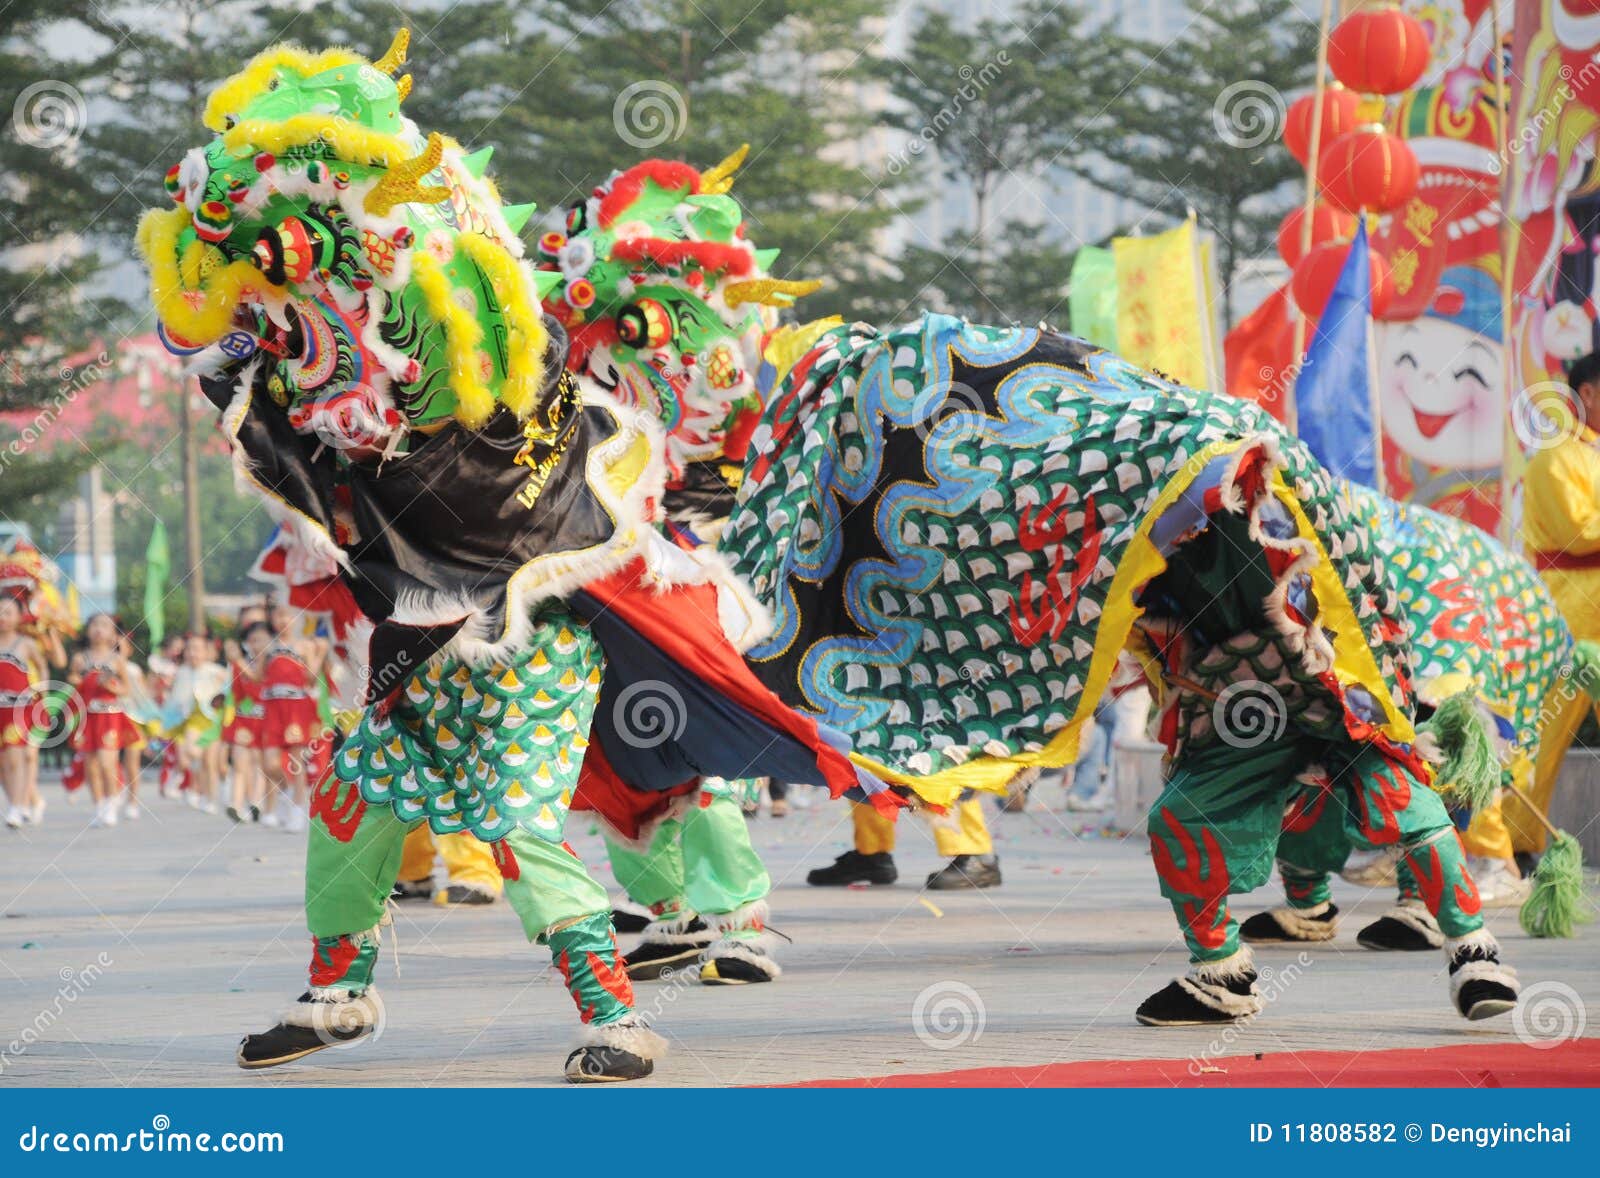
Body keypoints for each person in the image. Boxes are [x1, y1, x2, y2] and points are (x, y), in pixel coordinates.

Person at [1518, 349, 1600, 863]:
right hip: (1570, 610)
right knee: (1546, 730)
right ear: (1587, 393)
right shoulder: (1555, 456)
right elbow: (1577, 533)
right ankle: (1514, 843)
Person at [69, 614, 146, 828]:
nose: (98, 630)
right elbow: (74, 685)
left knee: (107, 761)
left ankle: (112, 802)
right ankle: (99, 804)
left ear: (113, 634)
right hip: (88, 716)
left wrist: (111, 687)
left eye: (104, 626)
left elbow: (126, 690)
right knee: (90, 764)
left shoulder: (116, 660)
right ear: (88, 630)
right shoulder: (80, 659)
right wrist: (77, 681)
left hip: (110, 715)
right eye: (94, 625)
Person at [258, 605, 326, 834]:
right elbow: (258, 676)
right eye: (278, 614)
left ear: (296, 618)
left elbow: (311, 680)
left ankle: (298, 810)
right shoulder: (268, 647)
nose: (283, 620)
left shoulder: (305, 646)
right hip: (272, 706)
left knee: (297, 761)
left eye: (287, 615)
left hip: (296, 706)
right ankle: (286, 790)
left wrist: (319, 655)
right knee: (270, 763)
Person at [0, 596, 46, 828]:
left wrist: (42, 692)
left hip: (17, 709)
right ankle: (15, 804)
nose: (3, 617)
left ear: (19, 617)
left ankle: (17, 807)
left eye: (8, 612)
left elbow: (42, 666)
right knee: (2, 763)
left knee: (15, 758)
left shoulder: (25, 643)